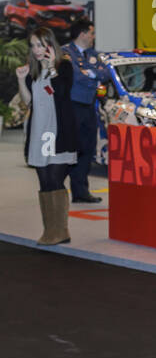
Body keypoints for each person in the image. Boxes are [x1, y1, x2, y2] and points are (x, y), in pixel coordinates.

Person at [15, 28, 77, 245]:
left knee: (55, 179)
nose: (37, 50)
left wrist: (51, 68)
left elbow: (62, 92)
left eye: (41, 45)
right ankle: (51, 231)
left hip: (58, 133)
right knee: (44, 182)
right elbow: (28, 101)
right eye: (33, 45)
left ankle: (60, 231)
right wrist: (22, 81)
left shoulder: (64, 66)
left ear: (51, 45)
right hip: (40, 133)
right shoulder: (33, 70)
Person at [62, 20, 112, 203]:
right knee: (70, 149)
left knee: (87, 149)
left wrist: (90, 73)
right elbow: (75, 75)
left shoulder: (93, 54)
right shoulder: (65, 52)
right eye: (91, 33)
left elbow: (105, 74)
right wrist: (93, 74)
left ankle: (80, 191)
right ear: (82, 34)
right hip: (72, 106)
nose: (93, 37)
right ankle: (58, 187)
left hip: (89, 106)